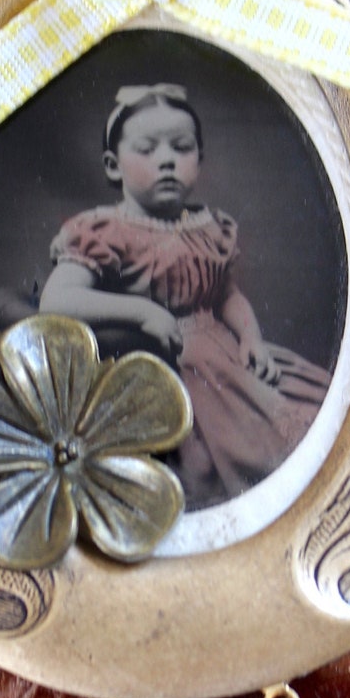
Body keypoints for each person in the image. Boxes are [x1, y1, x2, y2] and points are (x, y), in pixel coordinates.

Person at [39, 82, 331, 508]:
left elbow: (227, 295)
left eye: (181, 148)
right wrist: (140, 311)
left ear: (199, 160)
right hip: (166, 365)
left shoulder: (211, 227)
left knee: (301, 422)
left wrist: (251, 339)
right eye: (147, 149)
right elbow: (57, 300)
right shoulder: (105, 230)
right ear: (113, 165)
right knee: (212, 461)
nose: (167, 162)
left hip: (227, 358)